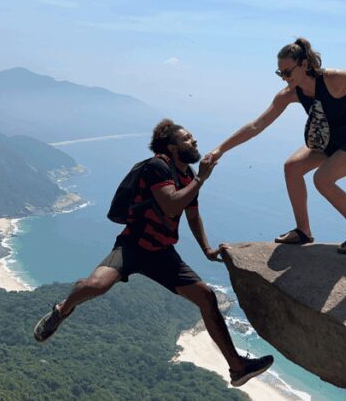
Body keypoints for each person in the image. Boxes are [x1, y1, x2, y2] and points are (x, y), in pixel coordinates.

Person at [33, 119, 273, 387]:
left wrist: (206, 249)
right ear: (171, 147)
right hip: (133, 245)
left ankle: (238, 368)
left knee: (206, 297)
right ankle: (61, 310)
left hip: (162, 253)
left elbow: (192, 214)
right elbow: (171, 205)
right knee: (95, 285)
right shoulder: (157, 167)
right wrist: (201, 179)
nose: (194, 141)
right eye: (186, 138)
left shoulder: (187, 174)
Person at [208, 38, 346, 254]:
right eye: (280, 73)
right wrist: (220, 150)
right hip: (330, 141)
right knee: (292, 167)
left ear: (304, 64)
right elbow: (257, 125)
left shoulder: (334, 79)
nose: (284, 78)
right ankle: (303, 232)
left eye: (287, 72)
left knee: (323, 179)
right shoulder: (290, 94)